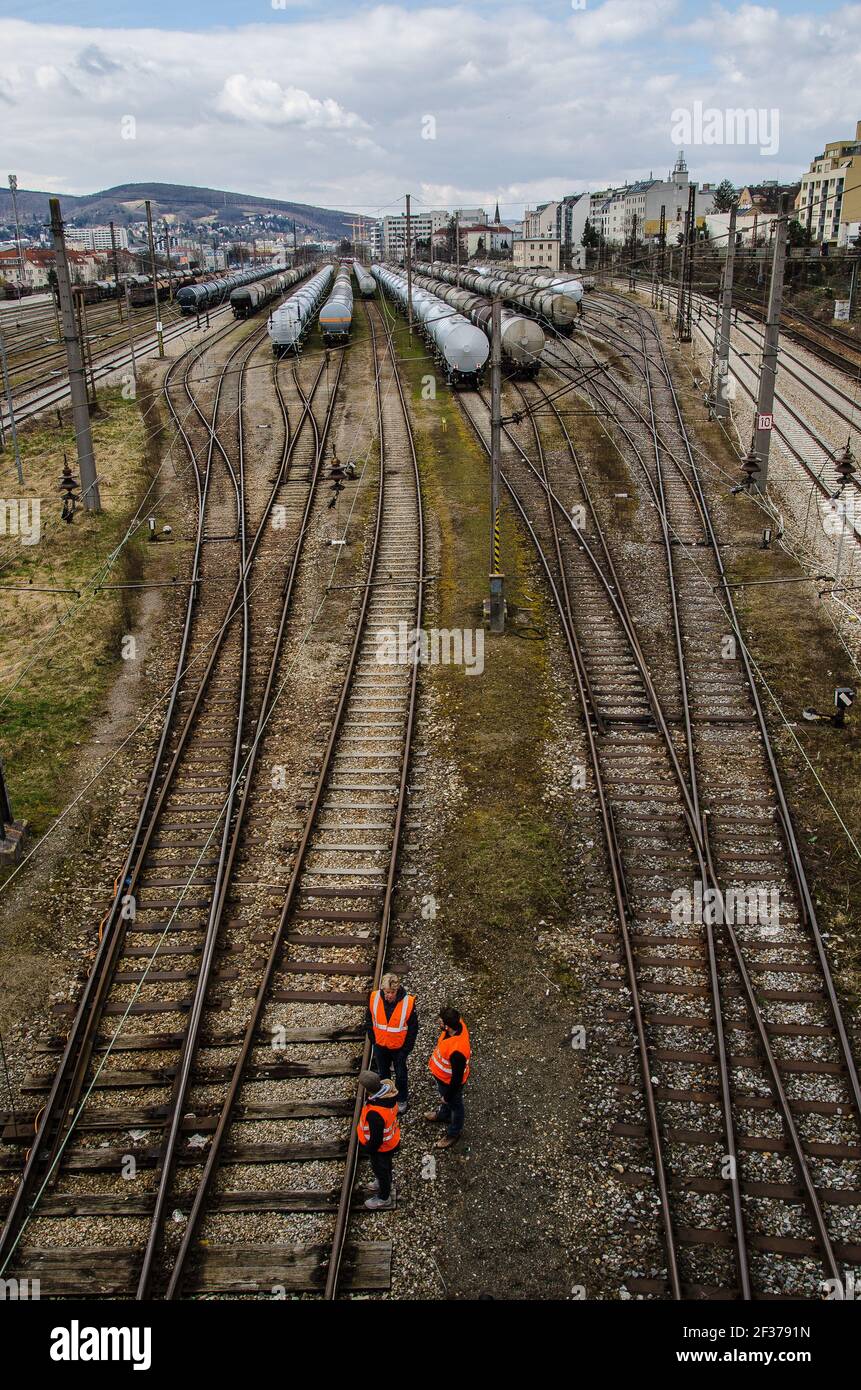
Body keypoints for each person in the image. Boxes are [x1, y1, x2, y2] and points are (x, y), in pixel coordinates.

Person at [365, 972, 417, 1115]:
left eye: (392, 992)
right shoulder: (374, 998)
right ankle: (386, 1096)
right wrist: (374, 1040)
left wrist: (405, 1050)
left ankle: (401, 1099)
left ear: (397, 990)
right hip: (381, 1046)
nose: (389, 995)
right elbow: (369, 1020)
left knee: (401, 1075)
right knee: (383, 1074)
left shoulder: (408, 1003)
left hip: (398, 1048)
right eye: (386, 992)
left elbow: (413, 1029)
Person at [424, 1006, 471, 1149]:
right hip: (443, 1079)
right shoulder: (457, 1025)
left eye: (441, 1021)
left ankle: (453, 1133)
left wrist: (448, 1096)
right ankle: (444, 1114)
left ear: (448, 1026)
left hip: (449, 1082)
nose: (439, 1022)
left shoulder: (457, 1051)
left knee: (456, 1107)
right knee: (448, 1101)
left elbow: (456, 1080)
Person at [356, 1069, 400, 1210]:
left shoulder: (375, 1113)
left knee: (381, 1169)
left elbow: (376, 1140)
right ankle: (382, 1182)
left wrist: (368, 1149)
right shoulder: (387, 1096)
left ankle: (384, 1197)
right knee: (385, 1167)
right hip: (391, 1142)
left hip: (381, 1148)